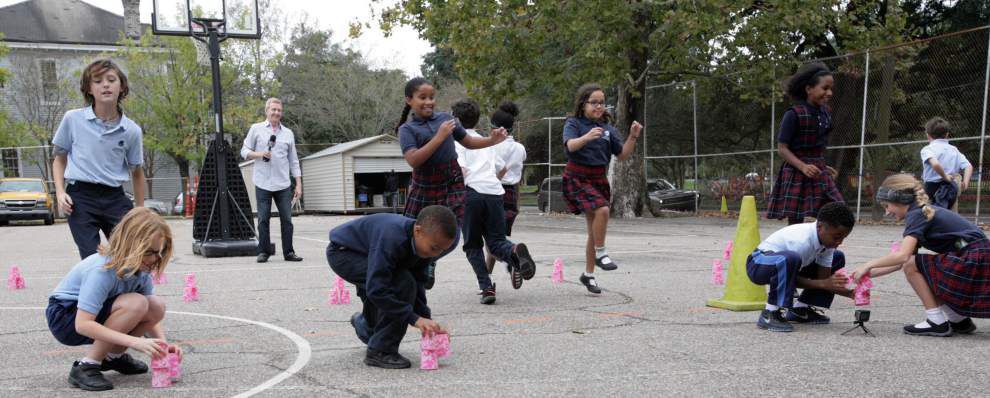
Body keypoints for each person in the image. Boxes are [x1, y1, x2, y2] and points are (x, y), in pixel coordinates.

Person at [46, 208, 180, 391]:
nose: (156, 258)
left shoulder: (142, 269)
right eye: (150, 252)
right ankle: (86, 365)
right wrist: (135, 342)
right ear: (131, 246)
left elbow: (150, 315)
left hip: (96, 314)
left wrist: (163, 346)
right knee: (136, 303)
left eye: (160, 252)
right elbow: (83, 325)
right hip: (65, 316)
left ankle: (112, 358)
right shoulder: (101, 270)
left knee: (156, 306)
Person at [396, 77, 506, 288]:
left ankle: (429, 261)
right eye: (422, 97)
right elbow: (413, 160)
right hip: (425, 186)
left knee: (452, 235)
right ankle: (414, 271)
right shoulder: (407, 130)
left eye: (432, 97)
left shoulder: (446, 119)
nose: (429, 102)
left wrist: (492, 141)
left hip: (451, 183)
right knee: (413, 234)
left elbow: (470, 142)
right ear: (409, 100)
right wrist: (439, 137)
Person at [852, 174, 988, 337]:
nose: (887, 212)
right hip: (977, 258)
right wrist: (862, 275)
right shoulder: (922, 211)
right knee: (924, 269)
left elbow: (903, 258)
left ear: (898, 199)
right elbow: (899, 263)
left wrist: (868, 264)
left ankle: (936, 322)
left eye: (887, 206)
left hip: (975, 259)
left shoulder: (916, 214)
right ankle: (959, 321)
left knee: (916, 265)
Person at [326, 205, 456, 369]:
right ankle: (381, 351)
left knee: (404, 284)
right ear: (418, 231)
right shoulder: (392, 238)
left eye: (442, 250)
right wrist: (414, 319)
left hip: (368, 251)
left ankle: (365, 327)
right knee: (401, 284)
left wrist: (428, 321)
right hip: (345, 253)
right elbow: (377, 289)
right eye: (434, 248)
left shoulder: (424, 246)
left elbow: (418, 284)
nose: (436, 254)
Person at [52, 59, 145, 260]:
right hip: (81, 197)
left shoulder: (131, 130)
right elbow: (59, 159)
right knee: (92, 259)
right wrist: (60, 192)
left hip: (115, 197)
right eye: (98, 81)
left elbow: (137, 172)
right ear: (89, 89)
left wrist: (139, 209)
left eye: (111, 80)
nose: (105, 84)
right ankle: (95, 290)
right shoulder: (72, 119)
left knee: (130, 255)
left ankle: (129, 291)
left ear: (122, 87)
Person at [451, 99, 536, 304]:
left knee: (472, 245)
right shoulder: (486, 141)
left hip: (471, 194)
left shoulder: (457, 142)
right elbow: (501, 169)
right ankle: (515, 251)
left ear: (455, 120)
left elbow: (461, 170)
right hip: (495, 193)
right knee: (497, 242)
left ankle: (486, 287)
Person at [561, 83, 641, 294]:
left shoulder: (608, 129)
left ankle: (588, 275)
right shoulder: (574, 123)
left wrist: (633, 136)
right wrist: (586, 137)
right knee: (603, 210)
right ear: (583, 104)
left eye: (602, 102)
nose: (598, 106)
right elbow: (570, 146)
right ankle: (601, 253)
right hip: (577, 177)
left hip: (598, 177)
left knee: (593, 231)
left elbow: (622, 155)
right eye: (594, 102)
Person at [746, 202, 855, 332]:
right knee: (789, 259)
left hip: (787, 265)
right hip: (759, 264)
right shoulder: (801, 241)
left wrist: (851, 293)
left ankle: (800, 310)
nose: (839, 242)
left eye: (843, 237)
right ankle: (770, 313)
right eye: (836, 237)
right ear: (820, 227)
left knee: (837, 256)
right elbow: (793, 279)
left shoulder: (827, 242)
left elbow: (824, 279)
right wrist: (823, 283)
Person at [767, 62, 844, 225]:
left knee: (837, 210)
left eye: (831, 88)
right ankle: (795, 249)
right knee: (795, 220)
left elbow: (817, 144)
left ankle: (820, 245)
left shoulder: (826, 112)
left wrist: (822, 165)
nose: (829, 93)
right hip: (796, 171)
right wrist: (802, 166)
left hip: (818, 169)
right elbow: (782, 149)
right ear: (809, 89)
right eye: (825, 88)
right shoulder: (793, 114)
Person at [240, 98, 303, 263]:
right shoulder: (256, 129)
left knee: (287, 220)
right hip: (263, 182)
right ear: (267, 111)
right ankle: (263, 252)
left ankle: (289, 252)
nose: (276, 112)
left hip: (283, 184)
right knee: (263, 219)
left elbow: (294, 161)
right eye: (273, 109)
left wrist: (298, 183)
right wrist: (260, 154)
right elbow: (244, 151)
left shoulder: (288, 133)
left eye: (279, 110)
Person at [486, 101, 527, 273]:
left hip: (492, 191)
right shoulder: (520, 148)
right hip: (511, 194)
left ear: (494, 127)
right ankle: (487, 278)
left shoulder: (490, 146)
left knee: (491, 240)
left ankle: (510, 260)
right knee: (498, 238)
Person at [919, 117, 972, 210]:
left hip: (932, 187)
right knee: (950, 213)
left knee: (928, 212)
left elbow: (935, 164)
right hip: (951, 187)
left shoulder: (927, 149)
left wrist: (945, 176)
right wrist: (966, 183)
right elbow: (968, 166)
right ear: (947, 134)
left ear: (928, 135)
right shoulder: (954, 149)